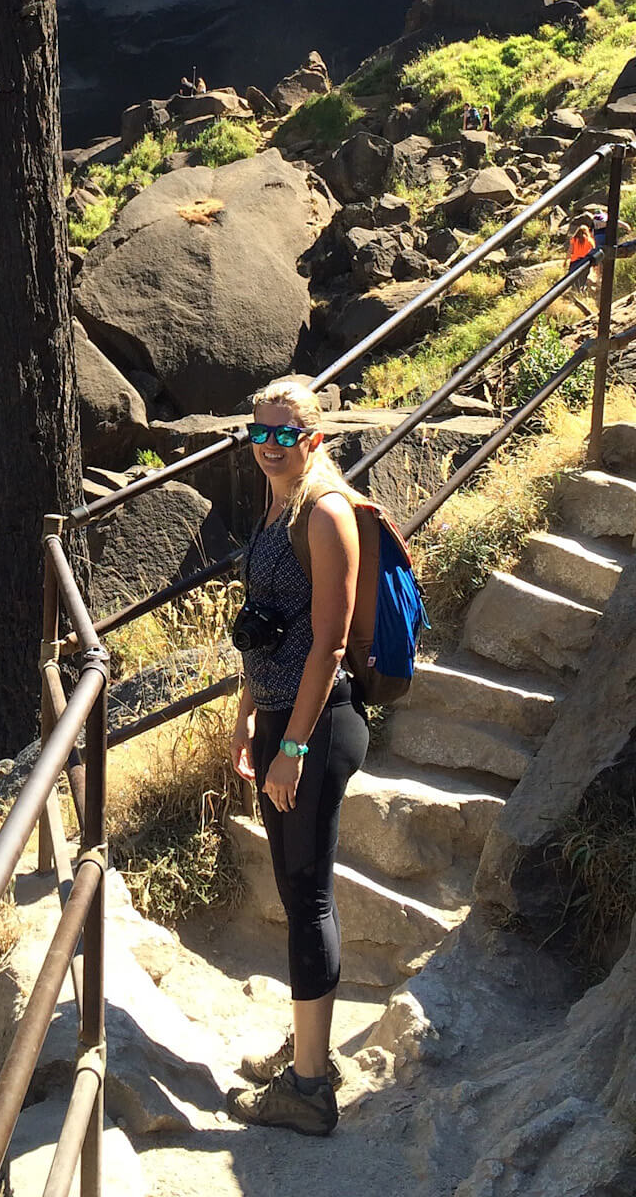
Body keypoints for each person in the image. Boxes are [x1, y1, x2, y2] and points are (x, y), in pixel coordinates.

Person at [226, 378, 369, 1137]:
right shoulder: (279, 506)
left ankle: (309, 1088)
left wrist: (291, 747)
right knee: (297, 894)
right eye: (258, 431)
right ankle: (307, 1044)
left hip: (316, 728)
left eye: (285, 434)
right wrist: (248, 712)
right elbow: (270, 627)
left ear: (314, 438)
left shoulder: (325, 513)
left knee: (307, 898)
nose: (268, 445)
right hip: (280, 718)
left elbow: (329, 644)